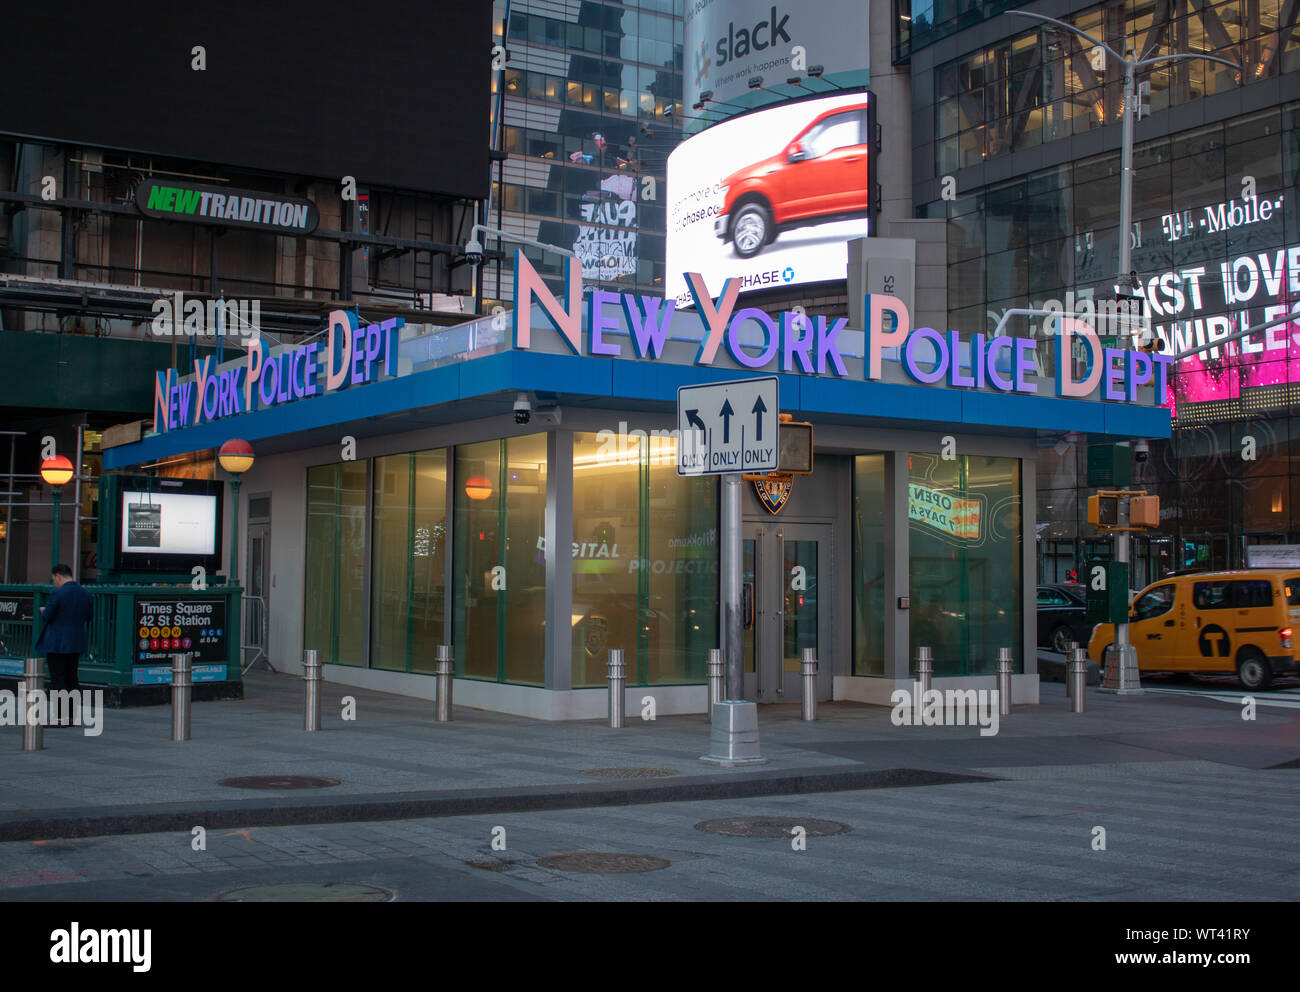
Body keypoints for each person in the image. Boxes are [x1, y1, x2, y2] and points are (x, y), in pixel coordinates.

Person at [34, 564, 93, 725]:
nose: (55, 582)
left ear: (58, 576)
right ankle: (72, 716)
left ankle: (60, 717)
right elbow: (89, 616)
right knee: (72, 678)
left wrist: (42, 610)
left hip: (57, 643)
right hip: (76, 641)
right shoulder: (86, 594)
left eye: (54, 579)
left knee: (58, 680)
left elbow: (47, 616)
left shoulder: (57, 593)